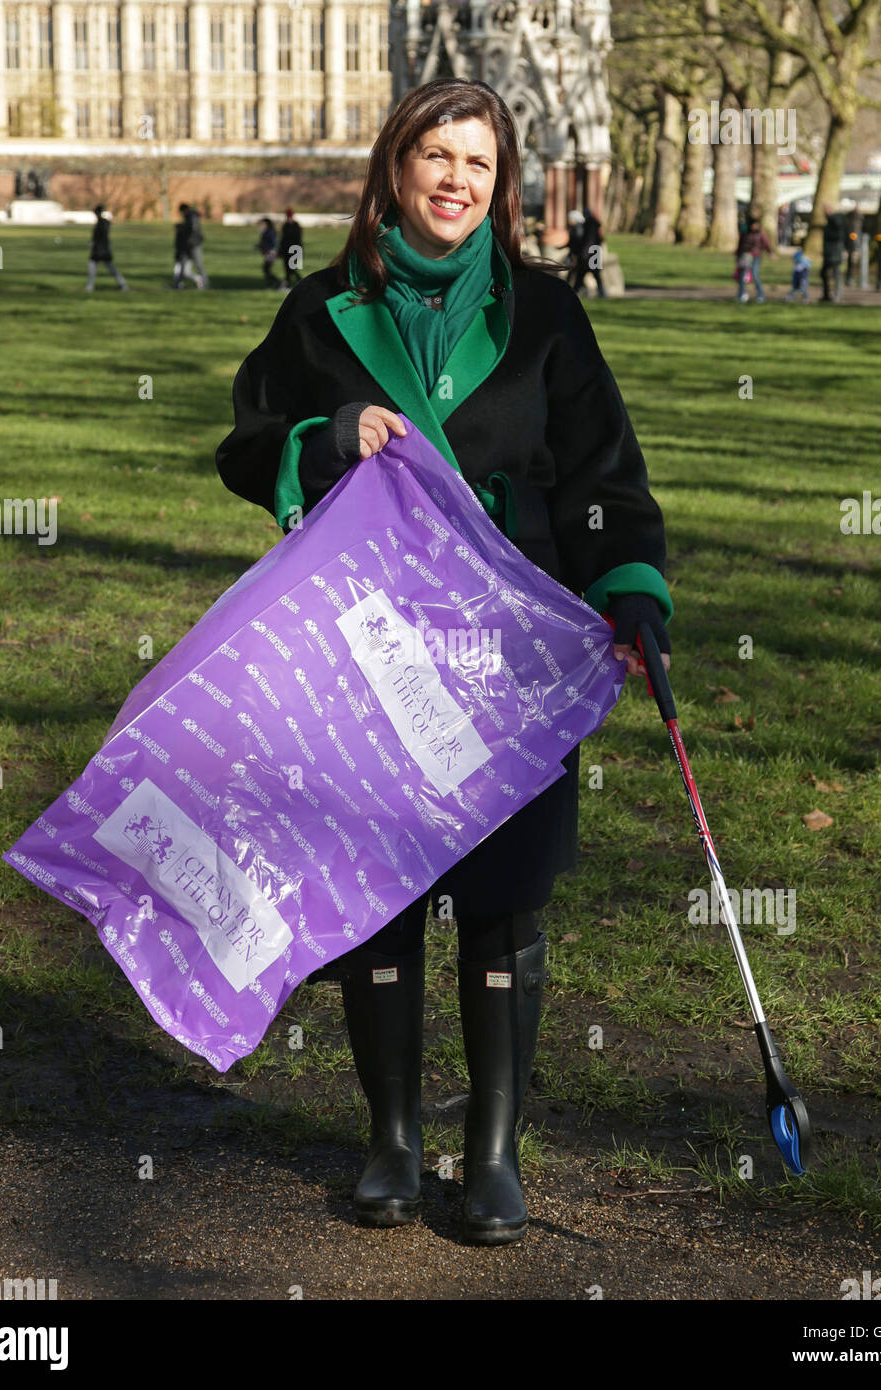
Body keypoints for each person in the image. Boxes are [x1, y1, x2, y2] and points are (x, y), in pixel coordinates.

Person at [215, 77, 672, 1247]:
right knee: (380, 891)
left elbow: (602, 479)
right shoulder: (320, 314)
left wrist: (627, 590)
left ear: (499, 185)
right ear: (394, 170)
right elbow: (243, 442)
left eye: (479, 163)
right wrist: (323, 441)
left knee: (504, 892)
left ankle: (495, 1153)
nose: (457, 180)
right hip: (364, 648)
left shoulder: (547, 316)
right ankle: (393, 1142)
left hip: (510, 646)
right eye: (436, 155)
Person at [85, 205, 128, 291]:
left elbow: (99, 237)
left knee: (106, 268)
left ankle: (122, 284)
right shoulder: (103, 223)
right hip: (101, 249)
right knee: (96, 267)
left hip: (100, 250)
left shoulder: (101, 223)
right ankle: (122, 284)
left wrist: (93, 243)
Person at [570, 205, 607, 298]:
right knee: (591, 275)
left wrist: (583, 254)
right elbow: (600, 240)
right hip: (593, 253)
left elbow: (587, 242)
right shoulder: (593, 226)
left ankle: (574, 293)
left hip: (588, 255)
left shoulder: (588, 226)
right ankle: (601, 293)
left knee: (582, 275)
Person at [735, 215, 772, 303]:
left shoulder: (760, 234)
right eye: (753, 225)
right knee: (742, 276)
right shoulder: (745, 234)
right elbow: (740, 245)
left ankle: (761, 295)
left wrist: (770, 252)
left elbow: (766, 243)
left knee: (755, 275)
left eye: (756, 225)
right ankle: (741, 294)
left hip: (756, 256)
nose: (755, 226)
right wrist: (738, 256)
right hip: (745, 257)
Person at [172, 204, 204, 288]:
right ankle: (178, 284)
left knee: (191, 267)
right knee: (182, 268)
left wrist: (181, 228)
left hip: (191, 245)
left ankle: (202, 281)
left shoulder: (191, 217)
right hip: (187, 246)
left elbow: (192, 230)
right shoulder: (190, 218)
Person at [820, 204, 846, 303]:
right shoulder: (831, 222)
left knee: (835, 273)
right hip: (830, 252)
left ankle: (836, 296)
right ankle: (828, 295)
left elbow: (838, 236)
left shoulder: (834, 222)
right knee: (825, 273)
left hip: (834, 252)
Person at [279, 207, 303, 286]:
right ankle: (289, 282)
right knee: (288, 268)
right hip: (286, 250)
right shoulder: (285, 226)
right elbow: (283, 239)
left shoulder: (296, 225)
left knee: (292, 268)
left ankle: (298, 281)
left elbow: (298, 239)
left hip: (295, 249)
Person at [256, 216, 281, 288]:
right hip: (268, 252)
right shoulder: (266, 232)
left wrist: (265, 247)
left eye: (262, 224)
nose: (261, 226)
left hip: (271, 253)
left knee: (266, 269)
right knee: (266, 269)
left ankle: (278, 282)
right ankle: (272, 283)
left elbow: (273, 243)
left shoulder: (270, 232)